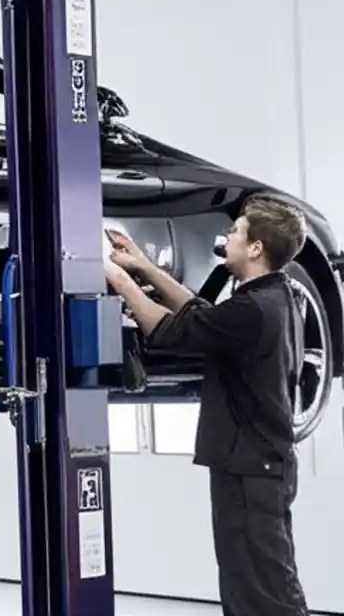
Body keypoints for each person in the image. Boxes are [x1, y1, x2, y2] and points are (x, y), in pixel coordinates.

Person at [103, 195, 310, 616]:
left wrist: (116, 278)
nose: (227, 236)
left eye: (235, 231)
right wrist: (144, 267)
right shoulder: (274, 296)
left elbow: (172, 331)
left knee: (262, 595)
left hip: (251, 472)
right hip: (258, 468)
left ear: (255, 248)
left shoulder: (256, 309)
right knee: (254, 583)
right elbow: (202, 315)